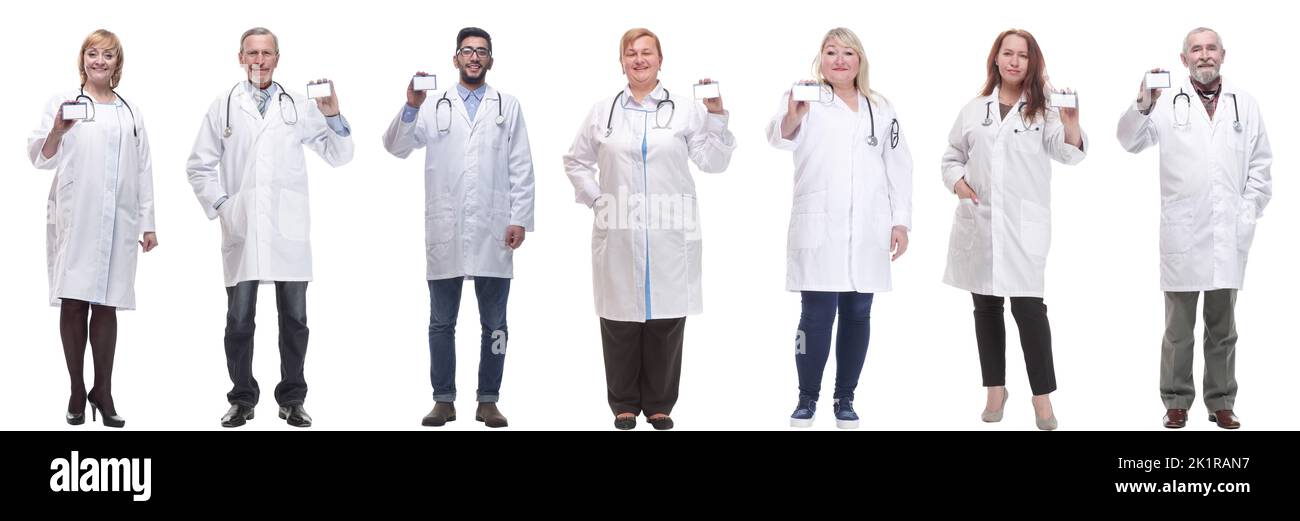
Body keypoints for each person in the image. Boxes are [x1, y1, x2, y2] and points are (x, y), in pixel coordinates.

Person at [563, 28, 736, 430]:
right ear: (621, 61)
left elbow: (714, 162)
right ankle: (623, 401)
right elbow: (575, 161)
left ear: (661, 60)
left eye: (647, 53)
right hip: (618, 229)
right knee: (620, 318)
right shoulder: (602, 110)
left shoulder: (686, 110)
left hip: (670, 230)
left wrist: (716, 117)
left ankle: (659, 403)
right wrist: (597, 199)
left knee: (666, 320)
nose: (639, 60)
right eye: (630, 53)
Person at [186, 27, 355, 428]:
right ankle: (242, 399)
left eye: (266, 53)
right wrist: (225, 207)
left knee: (294, 322)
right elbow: (198, 165)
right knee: (239, 321)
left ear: (277, 58)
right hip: (242, 230)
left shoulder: (297, 105)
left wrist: (332, 113)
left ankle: (292, 399)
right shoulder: (223, 105)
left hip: (287, 230)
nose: (259, 60)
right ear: (240, 57)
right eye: (251, 53)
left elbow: (339, 154)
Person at [1116, 27, 1271, 430]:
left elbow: (1261, 166)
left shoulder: (1245, 104)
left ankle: (1221, 402)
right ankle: (1176, 401)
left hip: (1227, 233)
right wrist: (1143, 103)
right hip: (1183, 232)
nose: (1204, 55)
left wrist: (1247, 210)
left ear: (1223, 55)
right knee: (1178, 330)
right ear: (1183, 59)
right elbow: (1129, 142)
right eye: (1196, 49)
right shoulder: (1165, 102)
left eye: (1211, 48)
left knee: (1223, 329)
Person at [382, 27, 536, 428]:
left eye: (481, 52)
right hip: (446, 228)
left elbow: (521, 165)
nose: (473, 57)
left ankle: (489, 400)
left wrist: (519, 217)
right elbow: (395, 147)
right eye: (467, 51)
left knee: (496, 325)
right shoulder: (433, 105)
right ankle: (443, 400)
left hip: (494, 230)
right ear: (455, 59)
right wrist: (411, 105)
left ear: (490, 60)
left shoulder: (508, 105)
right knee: (440, 323)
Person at [766, 27, 913, 429]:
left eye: (848, 52)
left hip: (868, 227)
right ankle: (806, 399)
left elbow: (898, 166)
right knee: (815, 314)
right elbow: (778, 137)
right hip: (821, 226)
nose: (839, 59)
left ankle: (845, 398)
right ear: (821, 59)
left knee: (858, 311)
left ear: (860, 60)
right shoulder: (806, 98)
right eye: (831, 52)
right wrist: (793, 114)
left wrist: (901, 220)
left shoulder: (879, 107)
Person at [940, 28, 1086, 431]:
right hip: (980, 220)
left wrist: (1072, 123)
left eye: (1023, 55)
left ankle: (1042, 398)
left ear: (1032, 62)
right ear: (996, 59)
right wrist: (957, 182)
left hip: (1024, 227)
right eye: (1008, 53)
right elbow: (952, 155)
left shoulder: (1045, 111)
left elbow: (1067, 153)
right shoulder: (975, 109)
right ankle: (995, 390)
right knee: (986, 309)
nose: (1015, 61)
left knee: (1029, 311)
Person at [27, 29, 157, 428]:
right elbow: (39, 158)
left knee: (106, 304)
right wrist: (56, 132)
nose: (100, 61)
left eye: (108, 55)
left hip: (119, 219)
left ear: (118, 63)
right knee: (74, 299)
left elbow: (143, 168)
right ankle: (76, 391)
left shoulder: (130, 111)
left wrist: (148, 223)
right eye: (93, 53)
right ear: (82, 58)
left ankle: (104, 390)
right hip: (77, 215)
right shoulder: (64, 104)